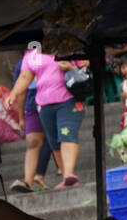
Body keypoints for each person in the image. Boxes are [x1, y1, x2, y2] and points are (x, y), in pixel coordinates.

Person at [7, 47, 84, 189]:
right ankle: (66, 177)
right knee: (54, 142)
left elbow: (87, 62)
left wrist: (71, 67)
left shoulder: (68, 46)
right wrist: (14, 93)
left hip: (68, 100)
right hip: (44, 103)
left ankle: (68, 173)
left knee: (66, 134)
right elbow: (25, 77)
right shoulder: (31, 55)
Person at [7, 57, 58, 193]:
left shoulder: (52, 58)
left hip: (54, 103)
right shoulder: (21, 64)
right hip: (32, 107)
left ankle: (64, 175)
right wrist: (21, 117)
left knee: (54, 139)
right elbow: (21, 91)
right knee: (33, 142)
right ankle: (29, 181)